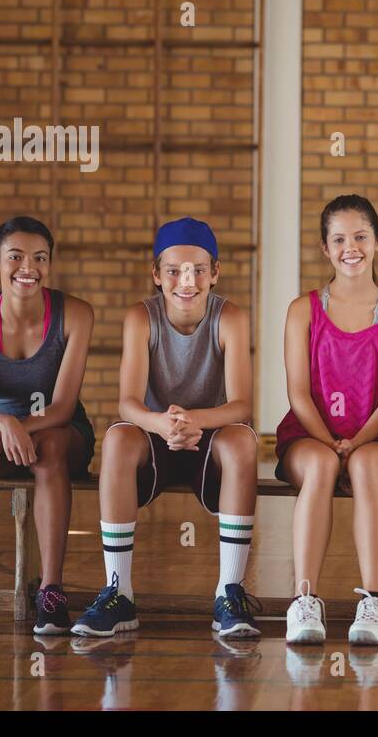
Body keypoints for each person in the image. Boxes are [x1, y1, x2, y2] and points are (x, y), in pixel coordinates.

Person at [73, 217, 261, 639]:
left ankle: (229, 591)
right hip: (156, 435)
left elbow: (242, 406)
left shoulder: (230, 318)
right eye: (174, 270)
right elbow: (127, 403)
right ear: (157, 275)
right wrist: (162, 423)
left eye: (198, 269)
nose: (187, 280)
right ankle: (118, 591)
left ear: (215, 273)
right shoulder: (141, 318)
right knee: (119, 436)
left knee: (244, 442)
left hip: (209, 435)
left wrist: (196, 420)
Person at [0, 216, 95, 635]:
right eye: (16, 257)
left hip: (61, 432)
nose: (28, 267)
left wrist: (11, 430)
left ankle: (51, 591)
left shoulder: (75, 314)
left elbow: (62, 407)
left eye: (39, 258)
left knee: (50, 450)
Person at [275, 195, 378, 646]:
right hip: (310, 435)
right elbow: (298, 393)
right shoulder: (303, 310)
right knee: (321, 465)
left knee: (364, 467)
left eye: (360, 237)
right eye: (339, 239)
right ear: (325, 247)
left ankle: (375, 602)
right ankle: (305, 600)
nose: (350, 247)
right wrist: (330, 443)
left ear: (377, 242)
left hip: (372, 437)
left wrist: (354, 444)